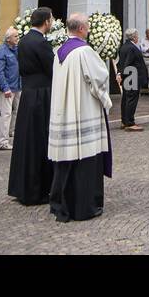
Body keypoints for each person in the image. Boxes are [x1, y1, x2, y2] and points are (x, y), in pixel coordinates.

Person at [49, 14, 112, 222]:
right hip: (83, 111)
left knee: (66, 158)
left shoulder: (59, 51)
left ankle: (61, 202)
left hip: (64, 111)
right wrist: (106, 99)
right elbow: (98, 78)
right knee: (85, 157)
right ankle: (83, 206)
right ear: (83, 29)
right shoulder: (85, 51)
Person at [8, 7, 56, 204]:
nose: (52, 22)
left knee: (25, 140)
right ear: (46, 22)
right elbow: (52, 68)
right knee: (39, 141)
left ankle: (21, 187)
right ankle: (37, 190)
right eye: (51, 19)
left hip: (28, 92)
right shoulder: (42, 43)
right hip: (41, 94)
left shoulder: (25, 40)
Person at [0, 28, 22, 149]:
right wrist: (5, 88)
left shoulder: (16, 50)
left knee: (17, 112)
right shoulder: (1, 51)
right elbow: (0, 72)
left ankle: (12, 132)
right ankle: (2, 141)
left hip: (18, 85)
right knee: (6, 114)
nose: (17, 38)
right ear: (8, 38)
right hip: (8, 87)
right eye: (15, 36)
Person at [117, 27, 147, 130]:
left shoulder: (124, 46)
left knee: (126, 98)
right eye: (137, 36)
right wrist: (121, 74)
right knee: (131, 99)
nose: (138, 37)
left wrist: (120, 73)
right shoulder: (132, 48)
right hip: (132, 76)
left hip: (128, 76)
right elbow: (127, 63)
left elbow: (120, 63)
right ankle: (130, 123)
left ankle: (124, 121)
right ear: (134, 37)